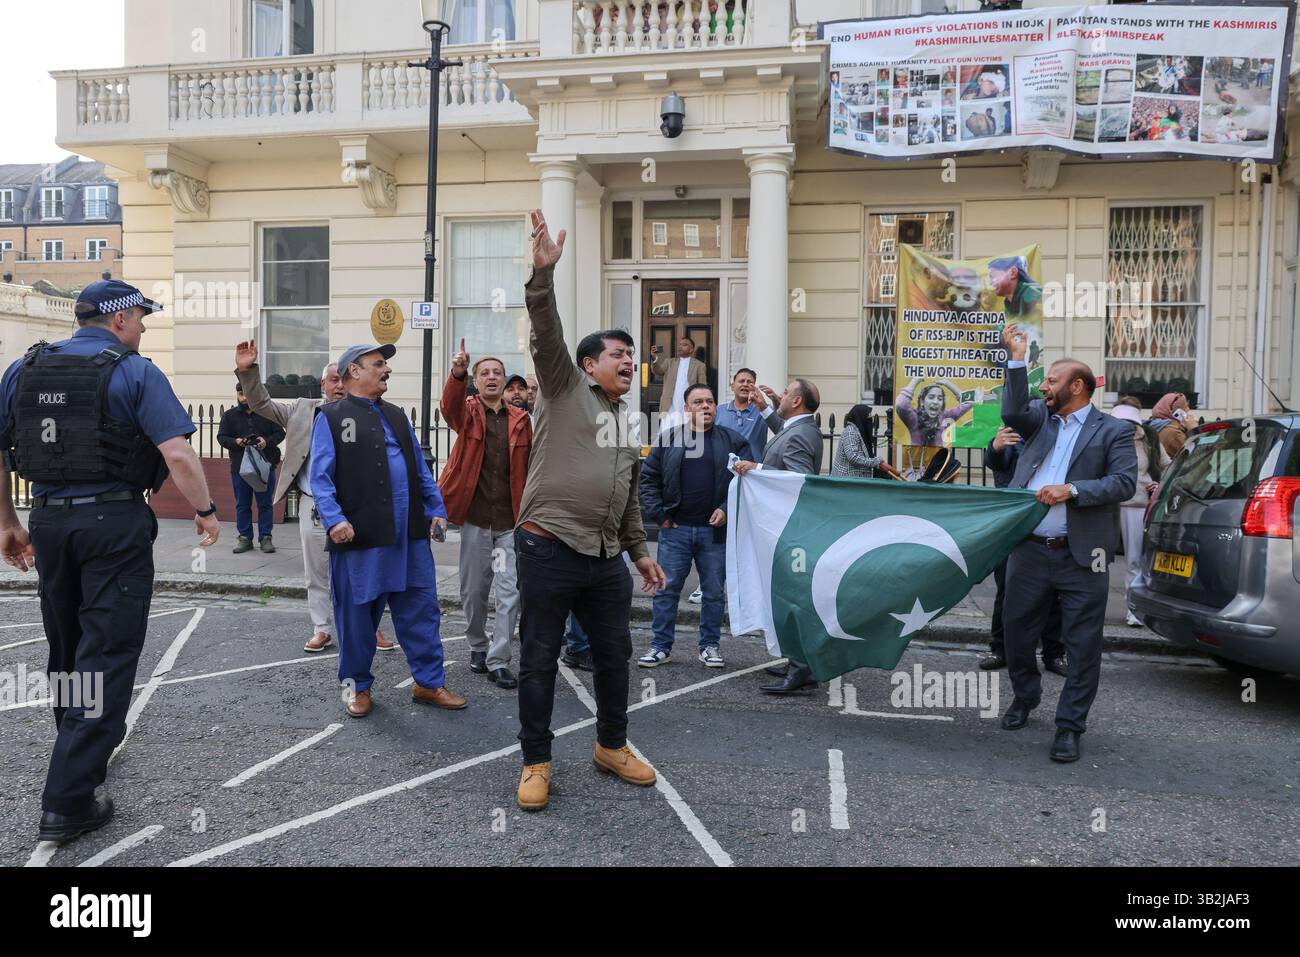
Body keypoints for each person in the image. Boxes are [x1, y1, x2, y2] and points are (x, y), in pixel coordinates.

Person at [0, 279, 220, 843]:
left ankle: (78, 747)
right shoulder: (134, 371)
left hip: (48, 522)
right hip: (113, 522)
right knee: (109, 650)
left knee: (68, 645)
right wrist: (206, 509)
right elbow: (177, 452)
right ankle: (69, 801)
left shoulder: (23, 370)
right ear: (119, 319)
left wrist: (7, 522)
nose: (144, 327)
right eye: (142, 317)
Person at [515, 209, 667, 812]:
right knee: (538, 659)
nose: (630, 361)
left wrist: (640, 553)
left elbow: (627, 495)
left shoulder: (628, 421)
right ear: (588, 364)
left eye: (633, 355)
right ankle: (536, 761)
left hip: (604, 558)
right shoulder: (560, 385)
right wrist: (541, 277)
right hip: (548, 544)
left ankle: (611, 745)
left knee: (614, 655)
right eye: (618, 354)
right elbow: (546, 330)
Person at [997, 323, 1137, 763]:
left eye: (1053, 380)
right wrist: (1016, 358)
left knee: (1082, 644)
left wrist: (1071, 490)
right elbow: (1013, 410)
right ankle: (1026, 694)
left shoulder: (1112, 430)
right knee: (1017, 632)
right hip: (1030, 549)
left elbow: (1123, 483)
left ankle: (1069, 725)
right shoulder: (1039, 418)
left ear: (1078, 386)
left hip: (1084, 557)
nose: (1045, 386)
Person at [309, 343, 465, 719]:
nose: (387, 370)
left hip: (409, 537)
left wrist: (436, 509)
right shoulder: (329, 417)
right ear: (353, 371)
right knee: (356, 619)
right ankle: (356, 688)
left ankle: (428, 683)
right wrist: (335, 520)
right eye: (378, 364)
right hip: (360, 538)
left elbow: (419, 469)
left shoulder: (396, 415)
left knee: (421, 613)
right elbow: (321, 478)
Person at [234, 342, 394, 654]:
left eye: (342, 378)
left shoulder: (367, 413)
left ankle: (369, 626)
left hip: (357, 505)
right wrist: (247, 371)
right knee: (317, 570)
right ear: (323, 385)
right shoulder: (301, 410)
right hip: (315, 503)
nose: (338, 385)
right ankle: (322, 627)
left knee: (363, 569)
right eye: (332, 380)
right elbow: (260, 402)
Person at [440, 341, 533, 690]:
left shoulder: (522, 421)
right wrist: (457, 372)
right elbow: (448, 409)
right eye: (484, 373)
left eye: (497, 372)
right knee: (474, 591)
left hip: (510, 522)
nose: (491, 377)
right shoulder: (467, 413)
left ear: (505, 381)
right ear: (476, 382)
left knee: (509, 593)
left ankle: (499, 659)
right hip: (476, 518)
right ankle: (477, 645)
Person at [638, 384, 749, 670]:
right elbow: (648, 480)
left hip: (715, 533)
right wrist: (660, 516)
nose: (705, 406)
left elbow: (747, 482)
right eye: (698, 402)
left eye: (710, 402)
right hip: (675, 530)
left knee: (713, 592)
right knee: (667, 589)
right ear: (687, 409)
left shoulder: (734, 441)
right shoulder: (668, 440)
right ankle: (661, 647)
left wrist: (726, 509)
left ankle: (709, 646)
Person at [732, 378, 826, 694]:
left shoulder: (800, 434)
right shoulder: (801, 428)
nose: (780, 395)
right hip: (789, 530)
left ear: (797, 400)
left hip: (790, 531)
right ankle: (797, 662)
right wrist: (765, 409)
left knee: (792, 600)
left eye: (786, 392)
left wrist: (755, 468)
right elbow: (784, 438)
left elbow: (798, 481)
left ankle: (802, 669)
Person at [981, 426, 1067, 675]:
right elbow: (997, 462)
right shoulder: (1012, 436)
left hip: (1049, 526)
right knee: (1007, 591)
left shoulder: (1058, 437)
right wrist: (995, 447)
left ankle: (1054, 653)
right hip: (1013, 526)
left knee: (1053, 593)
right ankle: (1000, 649)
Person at [1110, 398, 1167, 626]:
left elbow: (1167, 465)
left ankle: (1134, 609)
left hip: (1138, 505)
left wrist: (1159, 485)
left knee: (1135, 559)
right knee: (1098, 559)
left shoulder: (1149, 438)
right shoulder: (1109, 437)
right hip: (1110, 504)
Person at [217, 381, 284, 554]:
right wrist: (236, 442)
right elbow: (221, 437)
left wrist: (265, 442)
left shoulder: (267, 413)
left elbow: (280, 433)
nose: (244, 398)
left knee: (265, 504)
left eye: (247, 394)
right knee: (242, 505)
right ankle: (245, 538)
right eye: (241, 394)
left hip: (265, 467)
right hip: (240, 468)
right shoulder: (229, 416)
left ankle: (266, 538)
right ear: (237, 395)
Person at [650, 336, 707, 432]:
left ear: (691, 349)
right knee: (666, 433)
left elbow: (703, 387)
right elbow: (658, 371)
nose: (680, 347)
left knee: (686, 433)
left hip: (688, 405)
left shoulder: (699, 365)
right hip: (670, 404)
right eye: (679, 345)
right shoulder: (669, 362)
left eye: (684, 345)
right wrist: (655, 359)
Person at [896, 377, 973, 447]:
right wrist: (915, 381)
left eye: (940, 399)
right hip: (917, 460)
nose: (936, 402)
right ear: (922, 401)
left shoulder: (945, 417)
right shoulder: (914, 418)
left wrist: (948, 384)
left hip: (939, 460)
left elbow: (969, 402)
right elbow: (900, 404)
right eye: (931, 397)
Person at [715, 367, 769, 462]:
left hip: (752, 470)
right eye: (741, 381)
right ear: (732, 386)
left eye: (749, 382)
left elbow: (781, 422)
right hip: (723, 468)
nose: (745, 384)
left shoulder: (763, 410)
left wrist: (771, 401)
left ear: (754, 387)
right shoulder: (718, 410)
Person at [831, 403, 900, 478]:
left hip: (854, 481)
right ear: (860, 417)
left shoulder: (859, 431)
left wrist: (877, 462)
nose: (870, 421)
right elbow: (853, 457)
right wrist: (875, 462)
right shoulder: (850, 432)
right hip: (846, 480)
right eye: (868, 417)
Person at [1148, 392, 1191, 458]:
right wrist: (1194, 429)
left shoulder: (1156, 425)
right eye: (1185, 409)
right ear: (1179, 413)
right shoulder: (1174, 433)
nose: (1188, 413)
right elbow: (1197, 456)